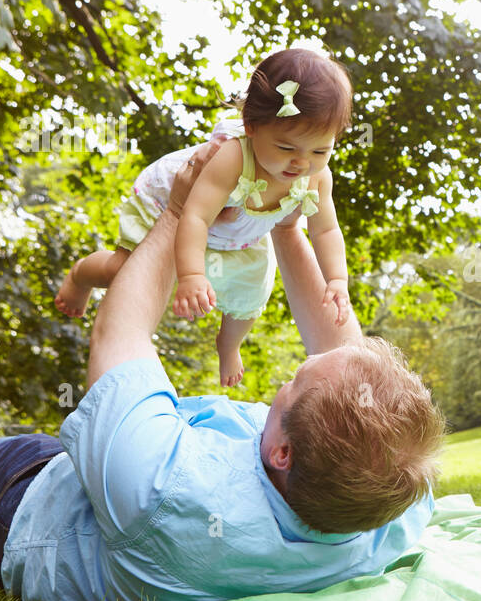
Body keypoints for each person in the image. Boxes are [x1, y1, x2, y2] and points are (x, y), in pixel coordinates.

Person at [0, 143, 446, 601]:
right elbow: (346, 364)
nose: (301, 367)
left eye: (293, 381)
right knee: (62, 451)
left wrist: (177, 213)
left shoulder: (163, 490)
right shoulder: (389, 503)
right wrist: (287, 225)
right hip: (98, 483)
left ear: (282, 453)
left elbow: (118, 335)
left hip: (27, 519)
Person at [55, 47, 354, 387]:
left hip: (237, 233)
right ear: (252, 127)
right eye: (287, 148)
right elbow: (194, 216)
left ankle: (229, 344)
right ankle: (81, 276)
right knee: (123, 272)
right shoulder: (232, 158)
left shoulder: (317, 176)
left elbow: (326, 230)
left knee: (254, 288)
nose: (302, 163)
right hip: (173, 206)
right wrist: (193, 275)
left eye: (320, 150)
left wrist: (337, 279)